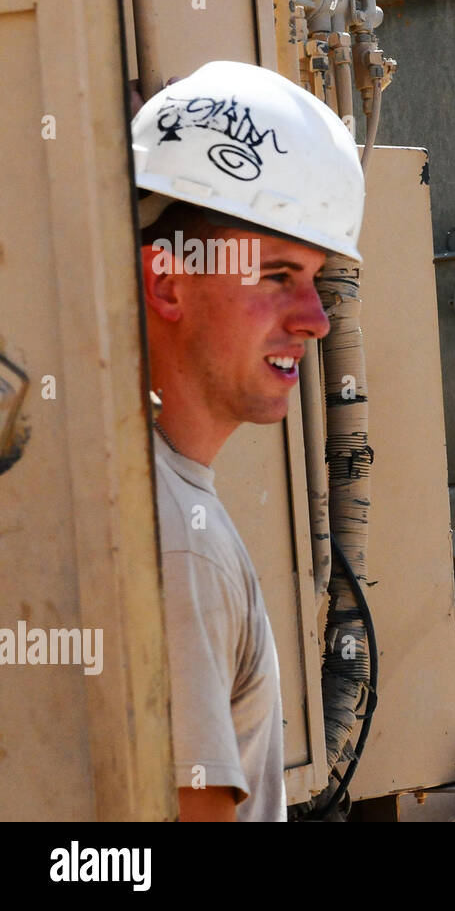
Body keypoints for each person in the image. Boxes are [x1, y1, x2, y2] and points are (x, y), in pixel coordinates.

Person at [133, 60, 365, 820]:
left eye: (316, 278)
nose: (316, 317)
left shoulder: (169, 503)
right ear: (168, 282)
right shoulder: (174, 538)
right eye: (276, 275)